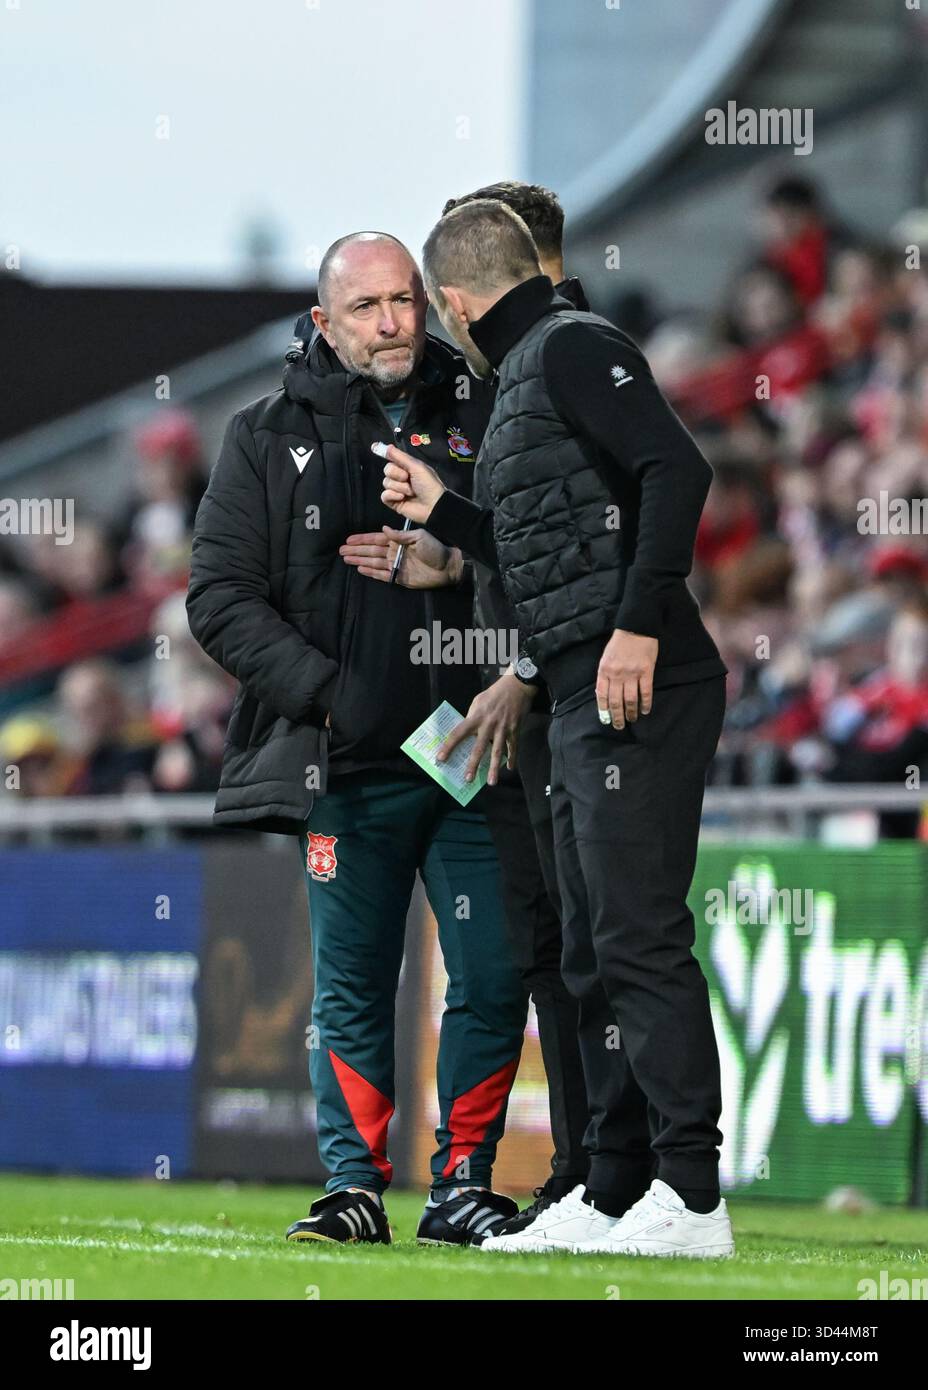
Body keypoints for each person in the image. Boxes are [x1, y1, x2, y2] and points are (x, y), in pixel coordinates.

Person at [380, 199, 735, 1257]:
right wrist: (442, 510)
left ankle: (693, 1192)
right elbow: (539, 540)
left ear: (450, 303)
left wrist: (634, 628)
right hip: (582, 684)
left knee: (634, 933)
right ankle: (612, 1183)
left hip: (639, 678)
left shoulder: (573, 346)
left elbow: (680, 470)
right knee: (585, 945)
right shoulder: (528, 370)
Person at [186, 231, 527, 1246]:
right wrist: (334, 697)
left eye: (404, 299)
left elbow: (538, 557)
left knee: (496, 968)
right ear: (323, 318)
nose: (391, 323)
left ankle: (463, 1181)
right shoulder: (261, 432)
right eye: (368, 305)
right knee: (351, 982)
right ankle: (354, 1187)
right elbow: (219, 599)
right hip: (345, 757)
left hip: (473, 744)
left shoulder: (486, 405)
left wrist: (456, 565)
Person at [349, 182, 593, 1235]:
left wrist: (526, 666)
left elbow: (588, 545)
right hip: (512, 716)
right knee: (550, 950)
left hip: (561, 699)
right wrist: (448, 560)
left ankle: (613, 1169)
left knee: (589, 947)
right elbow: (521, 544)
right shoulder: (519, 374)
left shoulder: (562, 364)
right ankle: (586, 1167)